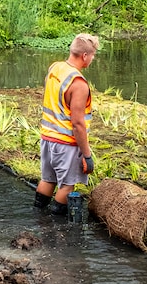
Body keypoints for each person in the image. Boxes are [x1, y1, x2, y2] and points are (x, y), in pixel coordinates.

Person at [34, 33, 99, 215]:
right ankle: (55, 228)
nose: (92, 59)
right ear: (85, 56)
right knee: (67, 186)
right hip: (65, 144)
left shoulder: (55, 68)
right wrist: (87, 155)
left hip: (47, 137)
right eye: (93, 55)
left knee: (48, 179)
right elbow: (78, 123)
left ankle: (37, 216)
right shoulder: (79, 84)